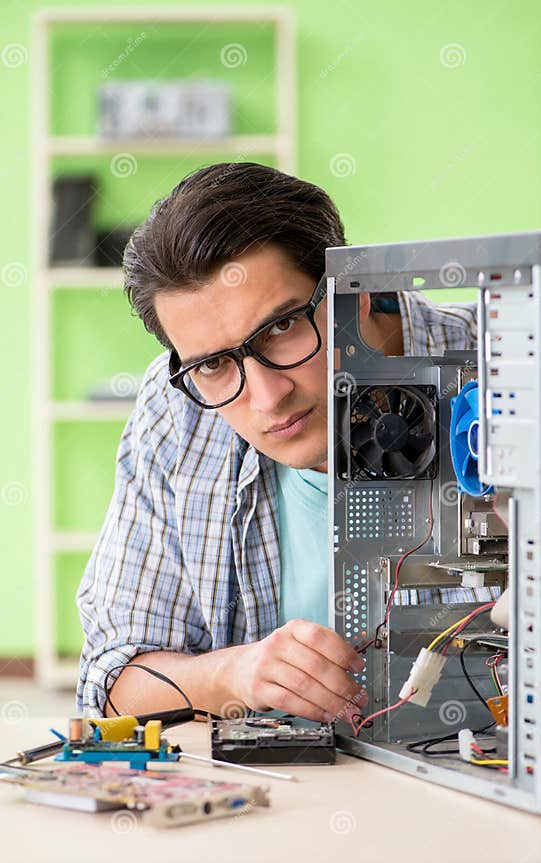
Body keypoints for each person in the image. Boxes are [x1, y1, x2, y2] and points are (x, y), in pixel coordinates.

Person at [75, 162, 476, 720]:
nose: (267, 398)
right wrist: (232, 675)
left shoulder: (509, 364)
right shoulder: (177, 408)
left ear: (352, 295)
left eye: (281, 328)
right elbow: (111, 680)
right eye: (213, 364)